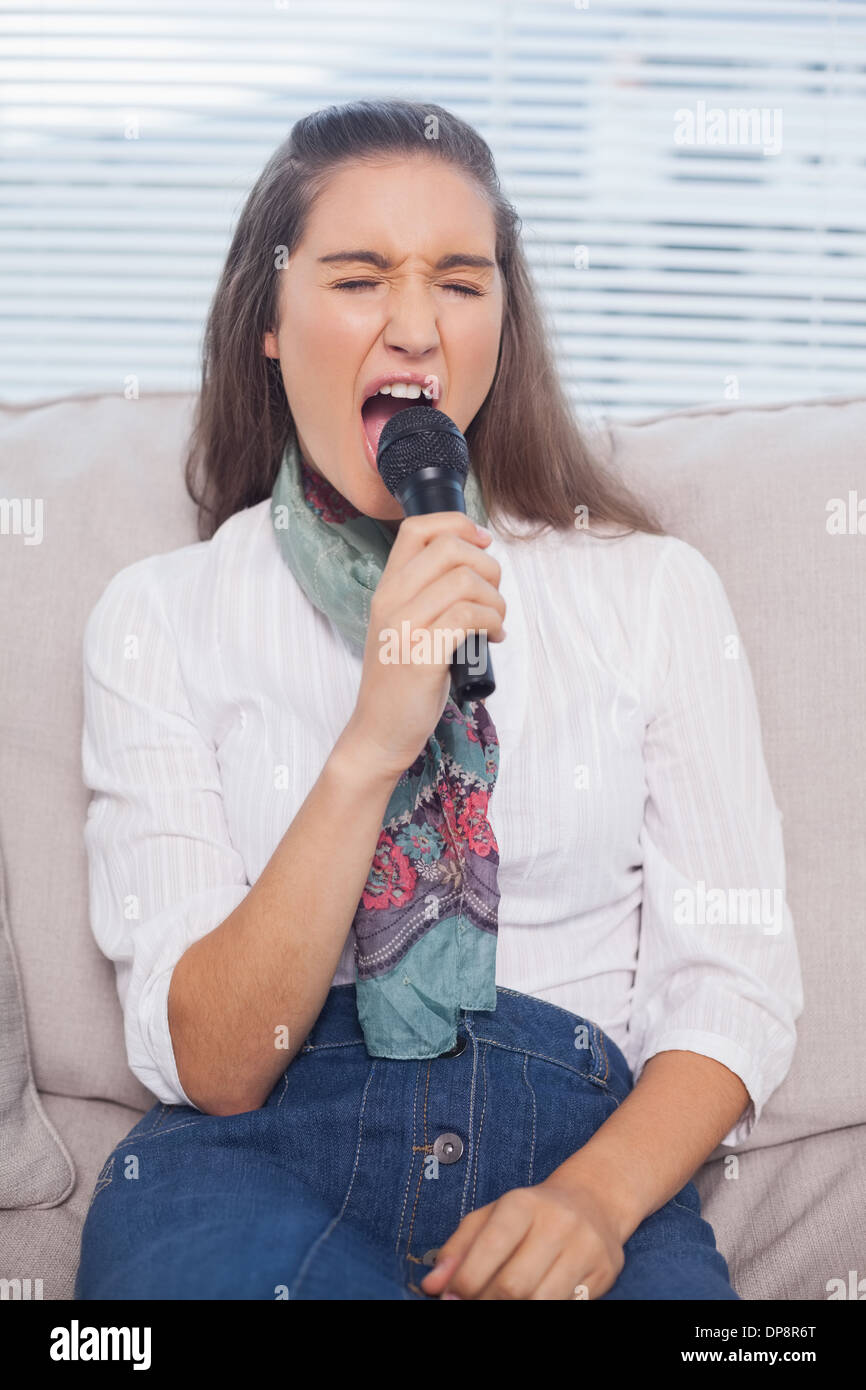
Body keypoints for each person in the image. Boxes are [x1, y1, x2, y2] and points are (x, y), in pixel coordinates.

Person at [74, 99, 803, 1301]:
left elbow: (733, 987)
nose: (415, 326)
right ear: (269, 317)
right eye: (360, 278)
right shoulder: (159, 615)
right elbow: (216, 1062)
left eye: (460, 285)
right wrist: (373, 740)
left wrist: (595, 1198)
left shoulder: (651, 592)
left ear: (501, 323)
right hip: (262, 1155)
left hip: (576, 1153)